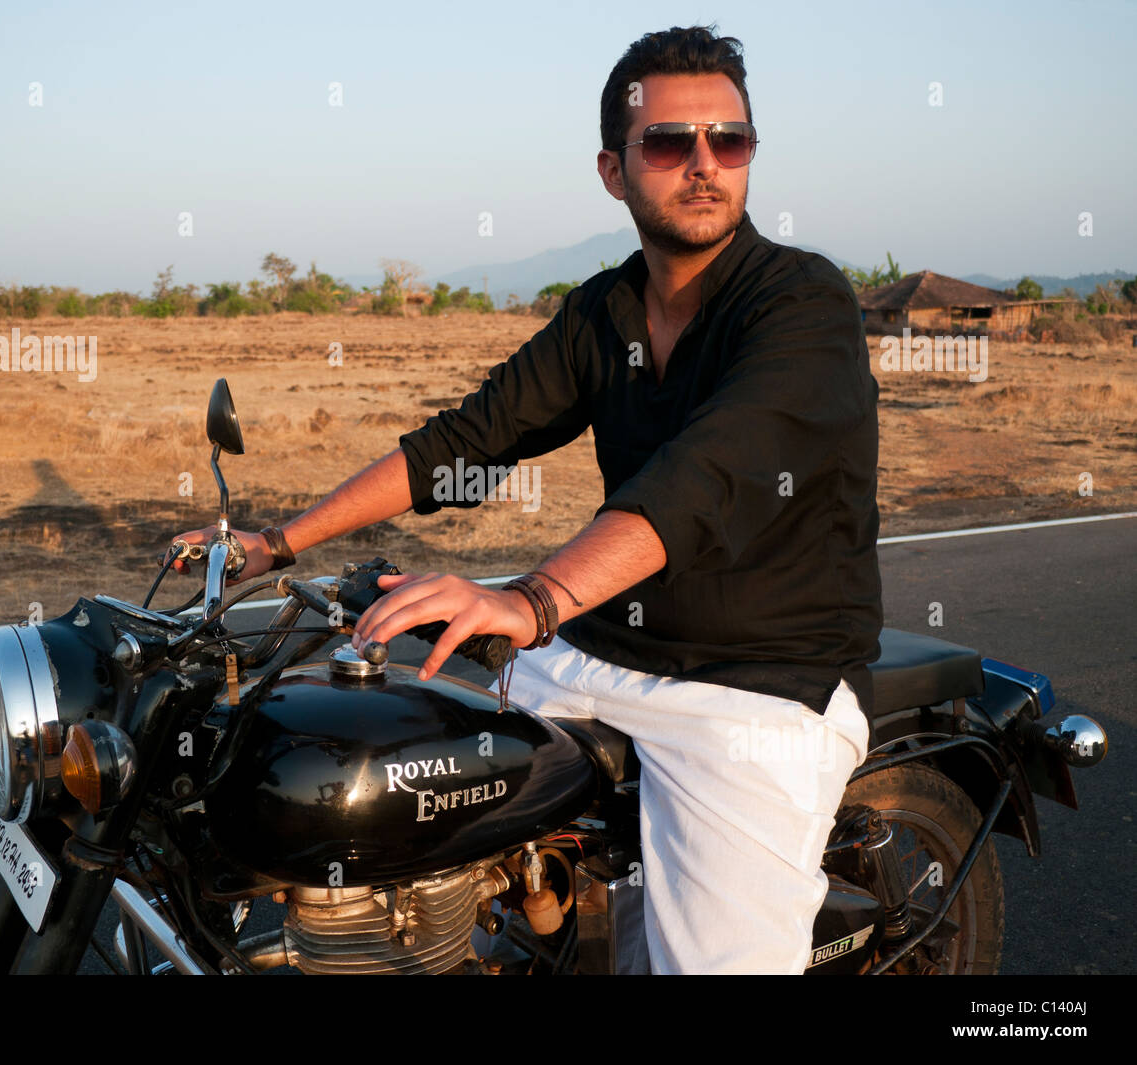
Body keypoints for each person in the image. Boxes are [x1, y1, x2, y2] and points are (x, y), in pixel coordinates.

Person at [172, 24, 882, 974]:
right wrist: (278, 540)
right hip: (604, 645)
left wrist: (531, 599)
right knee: (407, 785)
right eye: (671, 143)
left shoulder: (802, 302)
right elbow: (466, 441)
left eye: (730, 140)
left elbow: (704, 477)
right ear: (613, 170)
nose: (704, 165)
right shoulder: (605, 311)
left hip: (754, 688)